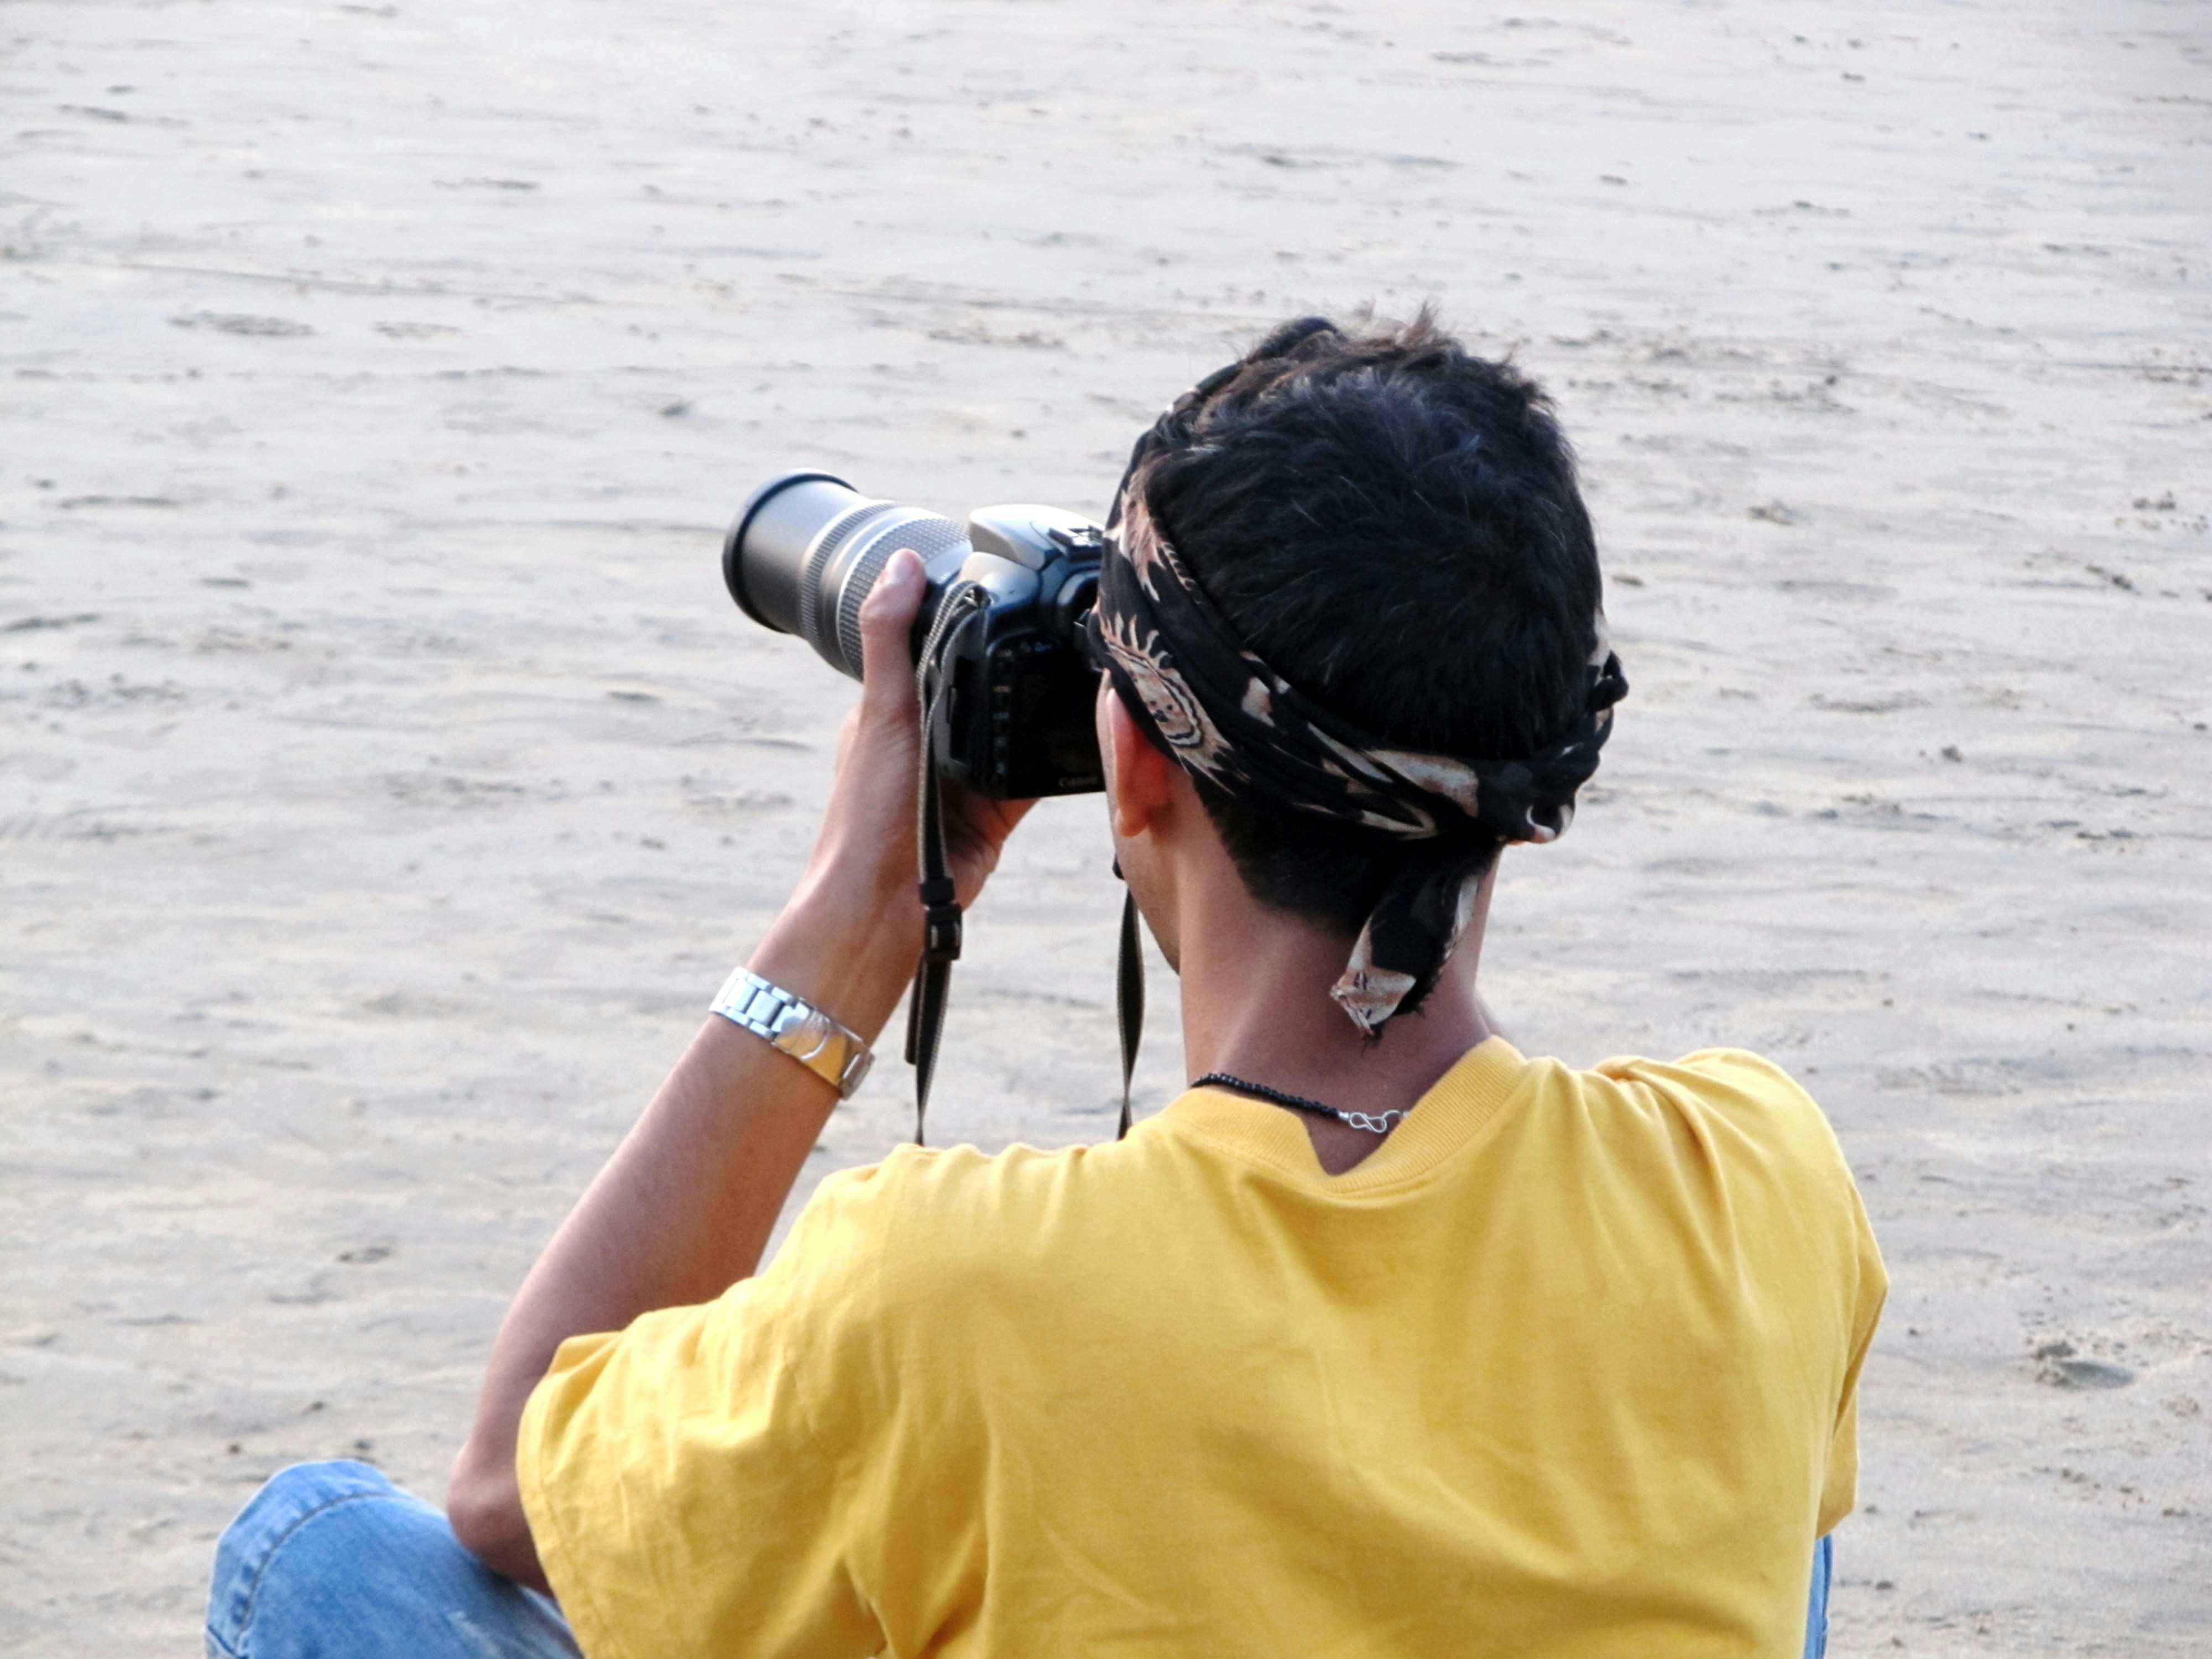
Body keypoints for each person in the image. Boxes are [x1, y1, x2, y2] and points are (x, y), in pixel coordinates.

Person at [207, 315, 1884, 1659]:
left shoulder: (951, 1297)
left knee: (318, 1548)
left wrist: (857, 919)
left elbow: (506, 1492)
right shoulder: (1759, 1180)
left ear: (1135, 767)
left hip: (977, 1321)